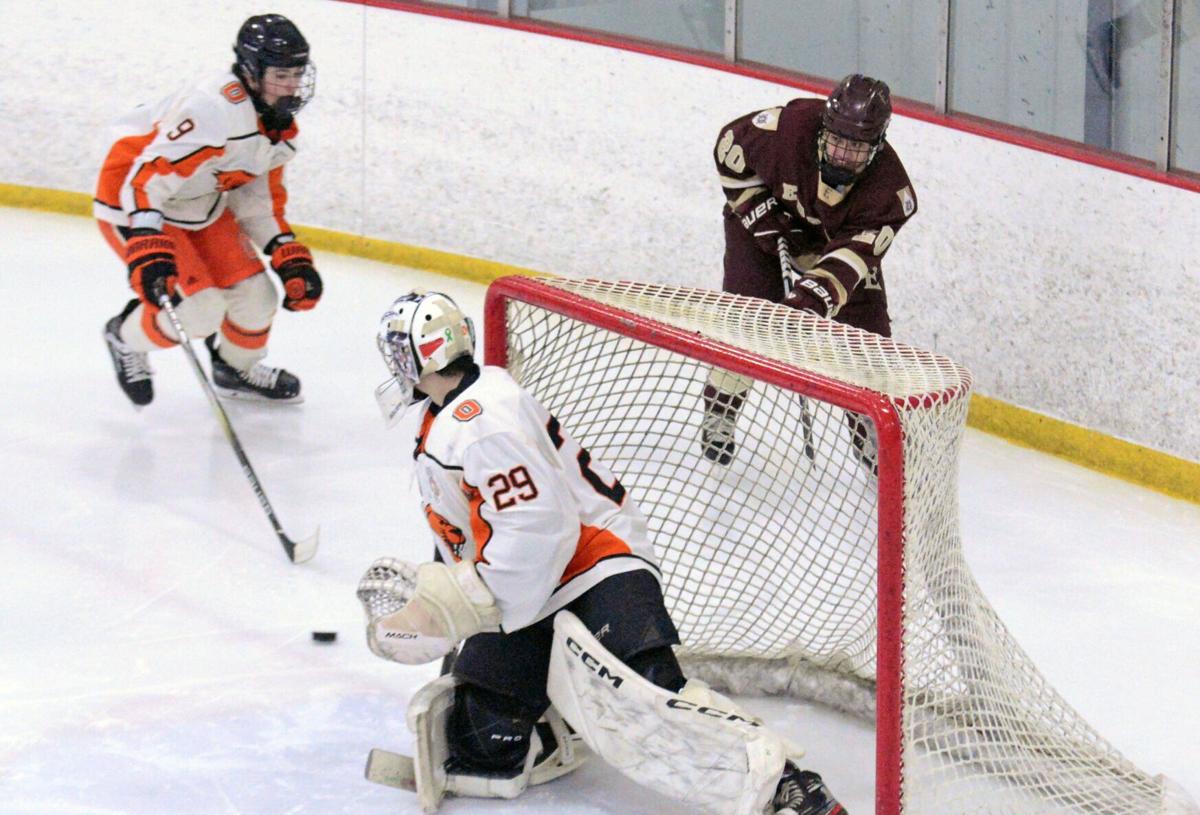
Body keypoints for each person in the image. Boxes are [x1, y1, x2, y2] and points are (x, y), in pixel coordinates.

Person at [356, 289, 847, 815]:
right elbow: (469, 531)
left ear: (422, 354)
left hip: (594, 564)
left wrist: (472, 601)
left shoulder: (479, 424)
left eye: (399, 352)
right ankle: (556, 721)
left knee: (650, 702)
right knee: (483, 741)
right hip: (528, 582)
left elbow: (539, 525)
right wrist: (451, 606)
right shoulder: (448, 414)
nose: (396, 365)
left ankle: (787, 785)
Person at [98, 14, 322, 407]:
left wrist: (283, 249)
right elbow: (146, 178)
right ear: (251, 72)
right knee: (198, 311)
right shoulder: (213, 109)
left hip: (200, 204)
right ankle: (124, 334)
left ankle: (234, 368)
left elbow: (254, 200)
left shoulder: (278, 128)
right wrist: (148, 240)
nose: (292, 87)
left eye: (297, 75)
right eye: (281, 75)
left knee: (258, 300)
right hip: (136, 201)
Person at [703, 74, 916, 466]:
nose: (842, 154)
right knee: (744, 322)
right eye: (838, 141)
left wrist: (809, 300)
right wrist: (758, 214)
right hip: (763, 230)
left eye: (857, 148)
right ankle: (721, 412)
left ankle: (868, 431)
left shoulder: (891, 194)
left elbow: (848, 263)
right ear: (824, 129)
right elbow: (728, 148)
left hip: (833, 246)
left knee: (868, 339)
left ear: (878, 146)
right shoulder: (788, 128)